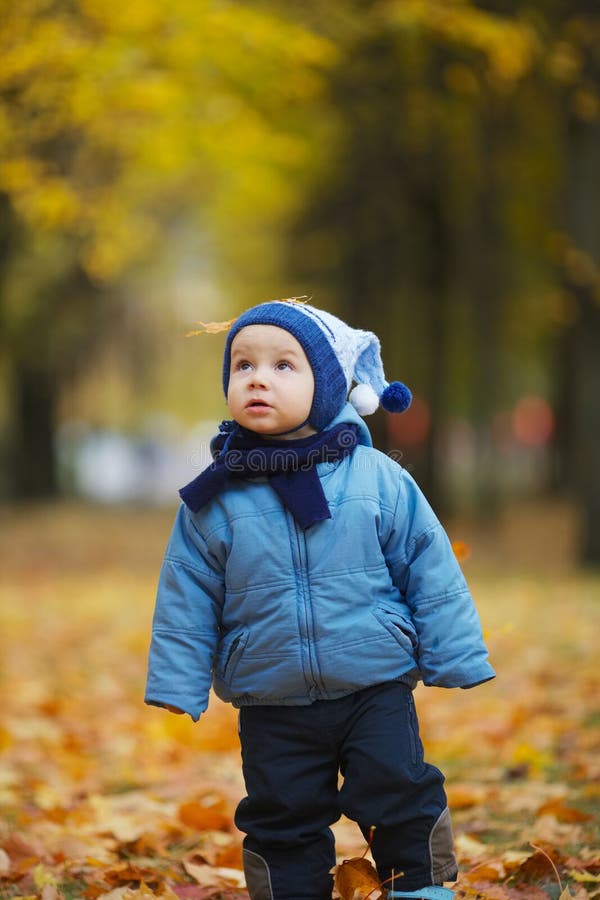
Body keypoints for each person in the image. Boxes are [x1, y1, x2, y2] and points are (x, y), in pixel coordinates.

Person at [145, 299, 495, 900]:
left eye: (284, 365)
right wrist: (178, 681)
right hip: (271, 695)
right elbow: (187, 594)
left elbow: (429, 566)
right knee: (282, 813)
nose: (257, 377)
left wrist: (456, 654)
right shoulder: (214, 501)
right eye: (242, 365)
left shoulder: (377, 478)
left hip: (374, 684)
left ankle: (422, 888)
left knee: (399, 793)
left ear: (327, 386)